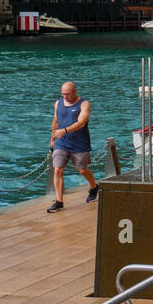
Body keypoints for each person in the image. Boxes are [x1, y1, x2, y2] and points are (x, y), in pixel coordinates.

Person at [47, 81, 98, 211]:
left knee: (82, 170)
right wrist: (52, 139)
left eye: (68, 94)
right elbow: (56, 121)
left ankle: (94, 187)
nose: (65, 97)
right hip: (61, 143)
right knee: (58, 169)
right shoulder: (58, 103)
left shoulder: (84, 104)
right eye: (63, 94)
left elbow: (81, 122)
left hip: (79, 143)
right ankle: (59, 201)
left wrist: (64, 130)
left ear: (75, 92)